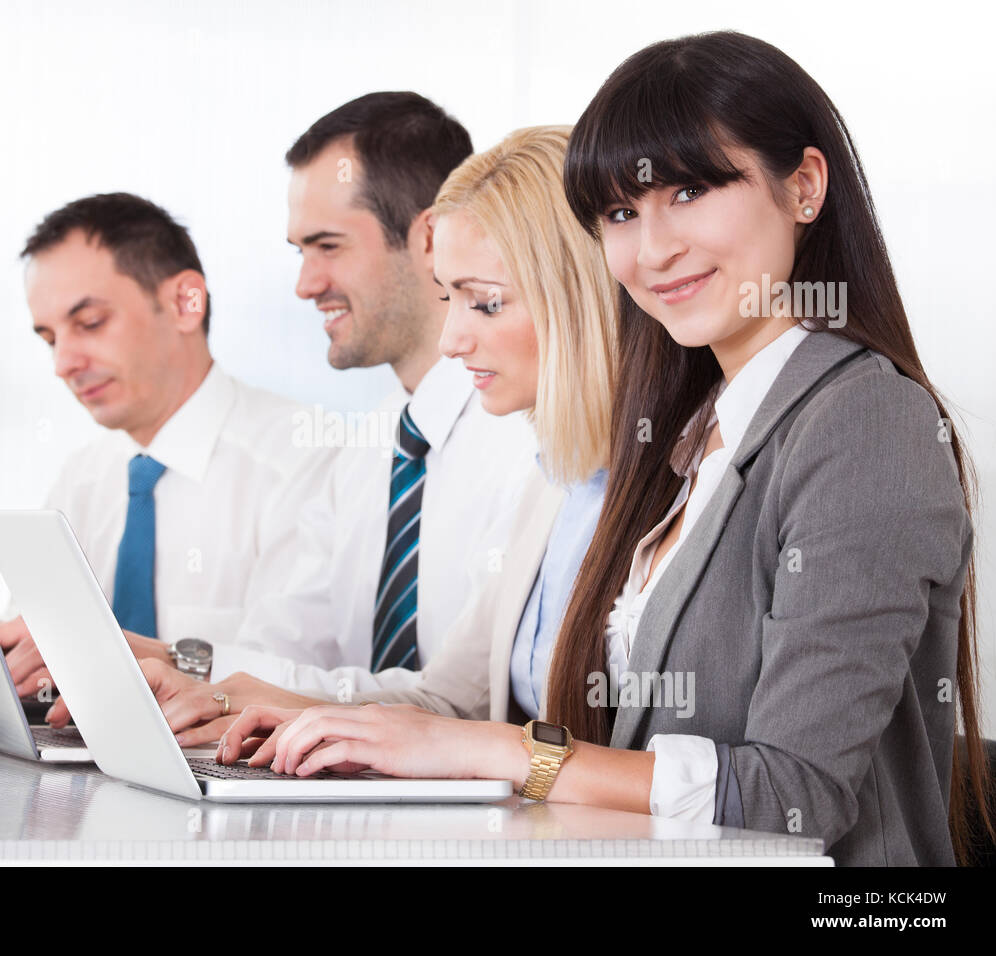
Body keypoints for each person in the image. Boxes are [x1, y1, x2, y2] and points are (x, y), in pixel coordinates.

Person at [214, 31, 992, 867]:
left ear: (803, 186)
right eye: (621, 213)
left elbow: (794, 796)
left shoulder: (864, 420)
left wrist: (497, 752)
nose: (652, 250)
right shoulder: (693, 436)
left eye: (690, 190)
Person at [148, 124, 617, 747]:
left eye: (329, 245)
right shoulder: (543, 474)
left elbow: (704, 770)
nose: (305, 284)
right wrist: (212, 682)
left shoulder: (541, 457)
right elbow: (446, 699)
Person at [0, 192, 331, 705]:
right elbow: (38, 651)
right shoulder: (85, 477)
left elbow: (304, 685)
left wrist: (155, 659)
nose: (63, 362)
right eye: (49, 337)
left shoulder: (305, 462)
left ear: (185, 303)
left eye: (90, 323)